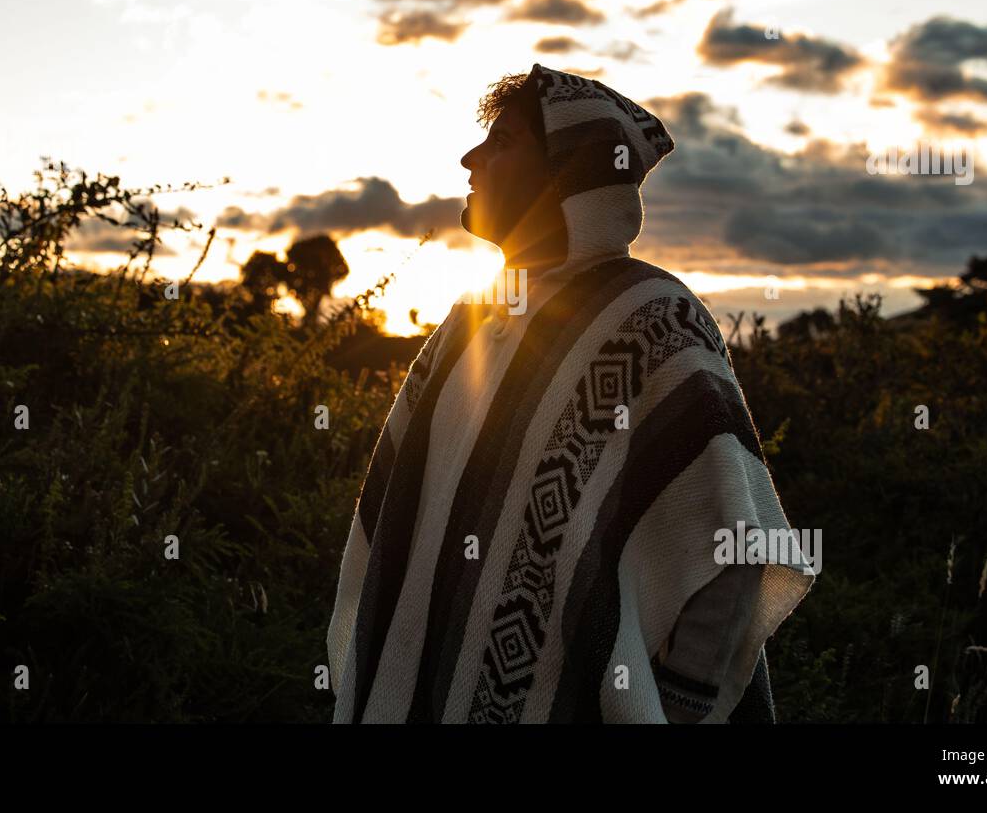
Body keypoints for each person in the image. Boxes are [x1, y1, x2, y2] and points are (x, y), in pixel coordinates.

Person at [326, 63, 815, 723]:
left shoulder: (653, 321)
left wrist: (678, 705)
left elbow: (729, 543)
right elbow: (400, 513)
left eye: (502, 142)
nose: (470, 159)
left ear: (567, 171)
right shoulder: (470, 321)